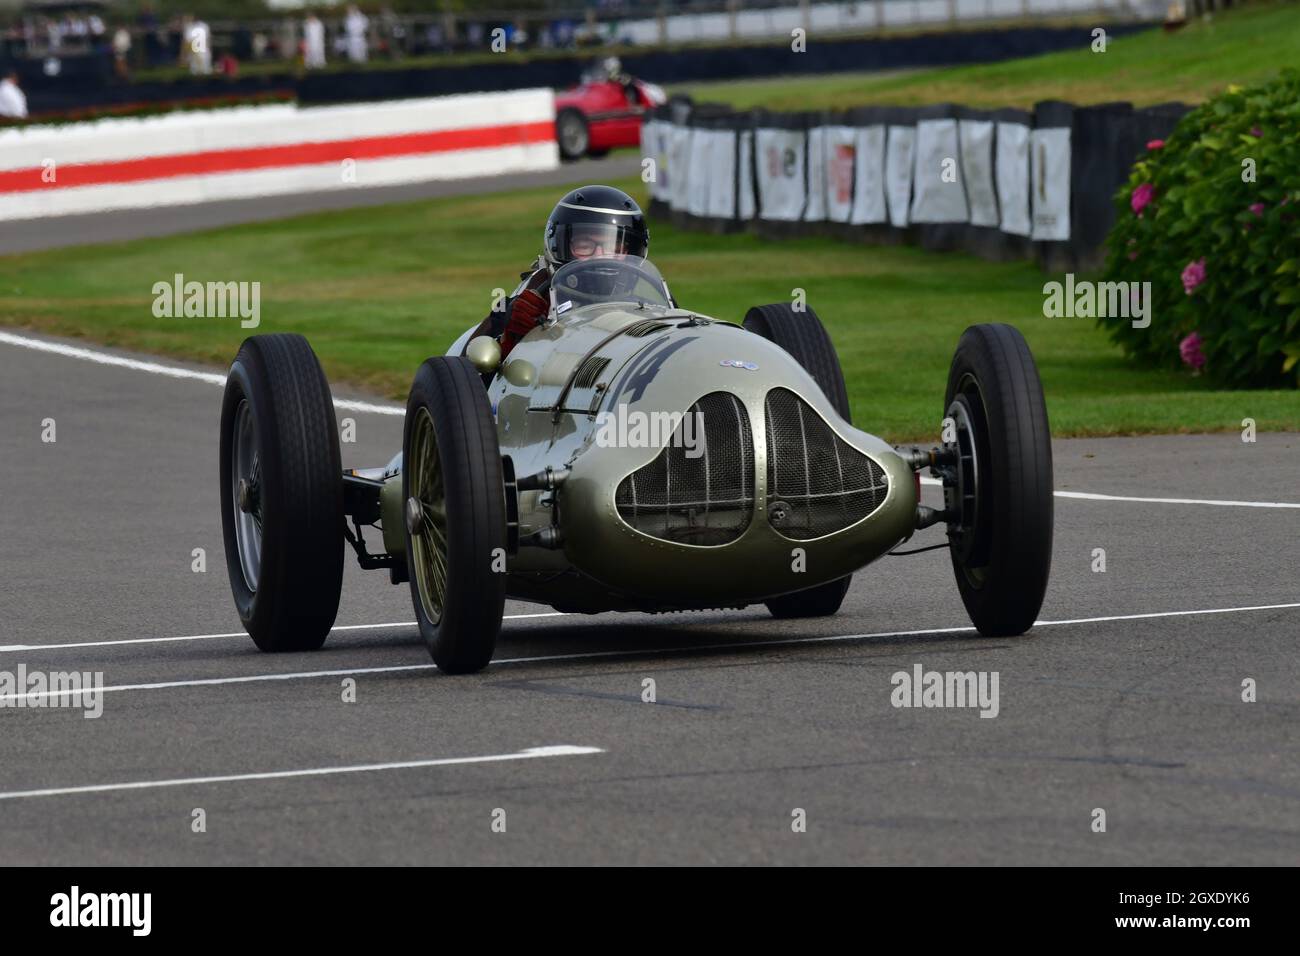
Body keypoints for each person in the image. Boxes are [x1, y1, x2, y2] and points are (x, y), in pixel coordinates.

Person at [469, 185, 650, 361]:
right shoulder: (520, 310)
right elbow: (470, 378)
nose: (600, 257)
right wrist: (513, 339)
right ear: (558, 246)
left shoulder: (652, 308)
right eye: (585, 246)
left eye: (615, 248)